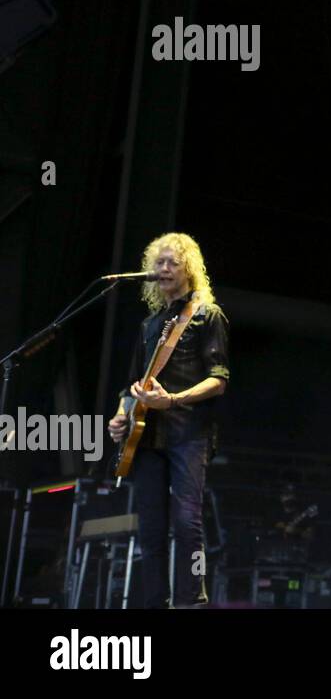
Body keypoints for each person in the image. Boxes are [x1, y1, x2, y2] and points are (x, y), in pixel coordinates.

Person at [108, 233, 230, 608]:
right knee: (151, 530)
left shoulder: (207, 315)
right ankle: (155, 603)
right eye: (158, 262)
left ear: (189, 269)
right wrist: (120, 416)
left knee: (187, 523)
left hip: (188, 433)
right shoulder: (149, 324)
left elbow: (219, 379)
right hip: (145, 439)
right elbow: (131, 385)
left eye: (171, 262)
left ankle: (193, 599)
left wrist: (172, 399)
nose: (162, 269)